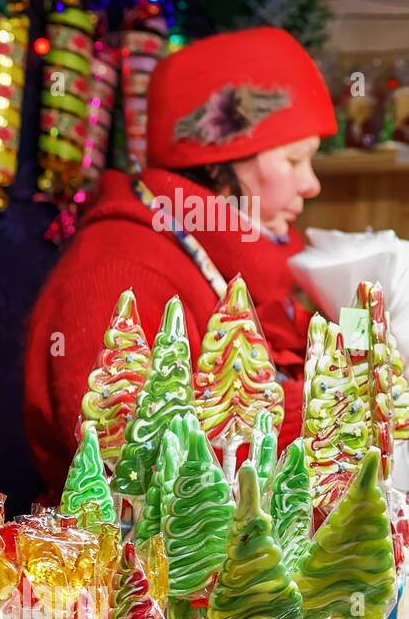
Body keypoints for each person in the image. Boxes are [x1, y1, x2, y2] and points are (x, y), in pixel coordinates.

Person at [24, 26, 337, 498]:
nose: (311, 185)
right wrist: (327, 410)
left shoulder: (248, 265)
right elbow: (131, 463)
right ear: (219, 163)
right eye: (294, 160)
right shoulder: (119, 271)